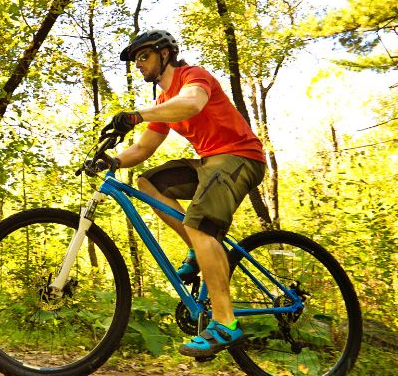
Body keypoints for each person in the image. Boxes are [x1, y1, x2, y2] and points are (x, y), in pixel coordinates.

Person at [83, 28, 265, 358]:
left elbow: (192, 104)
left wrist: (135, 115)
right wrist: (110, 160)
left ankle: (226, 324)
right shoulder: (163, 102)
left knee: (200, 226)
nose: (139, 64)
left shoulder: (193, 77)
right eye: (136, 59)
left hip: (240, 157)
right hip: (209, 162)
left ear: (164, 54)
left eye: (144, 56)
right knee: (148, 183)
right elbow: (143, 149)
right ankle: (198, 251)